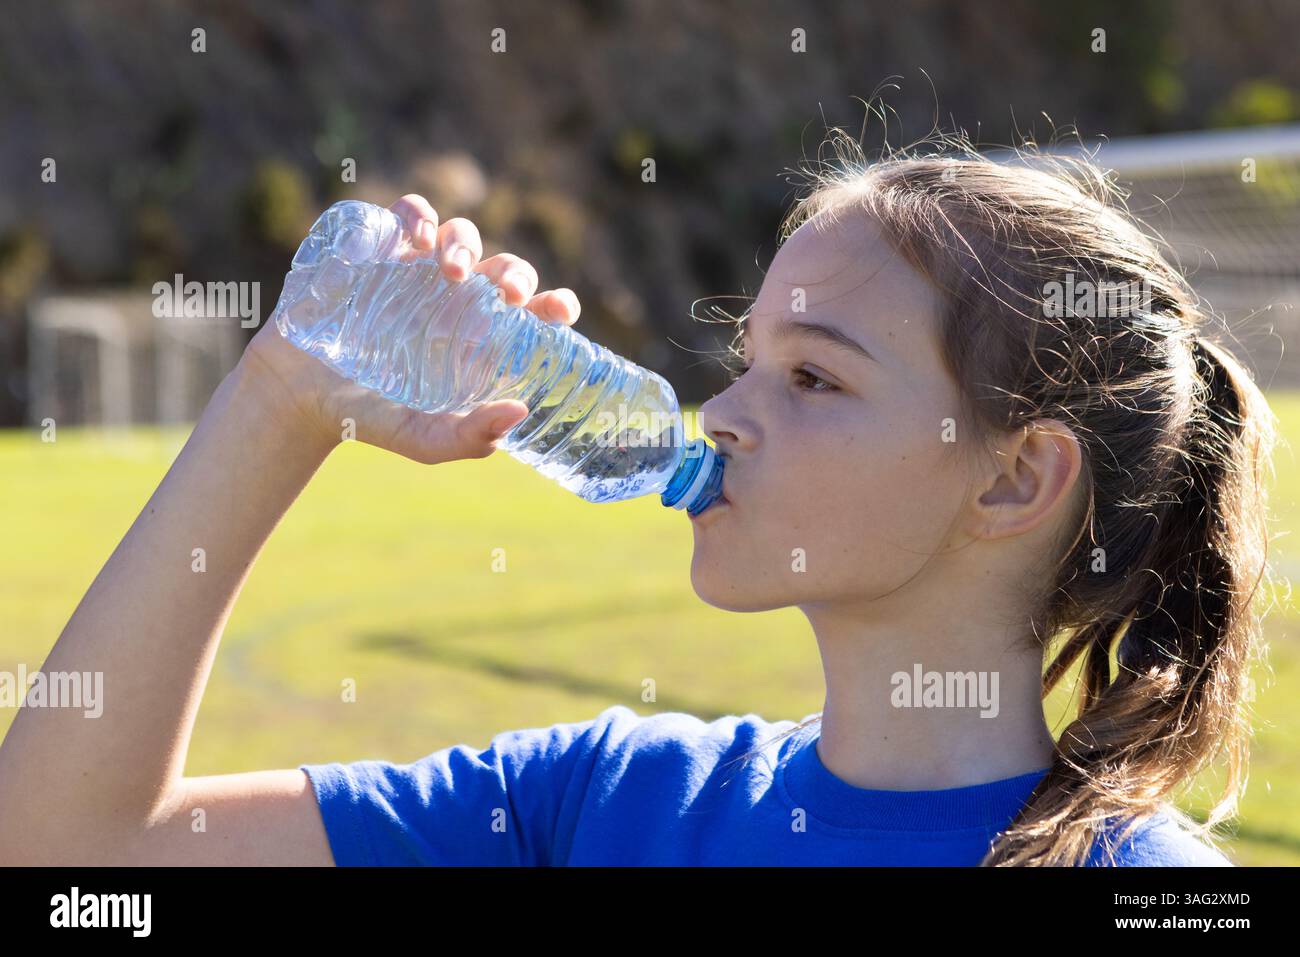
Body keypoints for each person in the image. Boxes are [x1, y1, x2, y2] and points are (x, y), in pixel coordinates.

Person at [0, 130, 1278, 866]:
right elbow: (73, 858)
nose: (721, 415)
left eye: (813, 378)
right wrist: (279, 400)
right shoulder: (609, 800)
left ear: (1013, 477)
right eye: (743, 364)